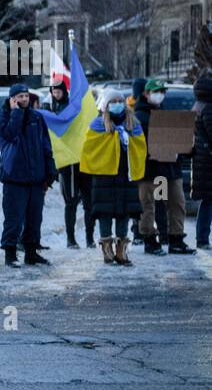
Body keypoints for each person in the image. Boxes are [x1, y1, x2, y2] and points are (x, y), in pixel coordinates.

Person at [81, 90, 146, 266]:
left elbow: (141, 147)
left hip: (126, 175)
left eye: (119, 100)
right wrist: (115, 138)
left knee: (124, 212)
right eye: (113, 101)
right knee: (105, 213)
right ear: (106, 104)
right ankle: (107, 249)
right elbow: (90, 148)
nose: (117, 103)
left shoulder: (134, 123)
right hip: (104, 176)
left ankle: (121, 250)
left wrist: (126, 140)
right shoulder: (98, 124)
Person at [0, 83, 57, 266]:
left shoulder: (37, 117)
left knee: (34, 218)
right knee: (14, 218)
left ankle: (31, 252)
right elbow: (10, 134)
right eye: (19, 96)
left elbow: (45, 143)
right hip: (14, 177)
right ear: (12, 98)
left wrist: (49, 168)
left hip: (36, 177)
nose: (23, 99)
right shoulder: (3, 117)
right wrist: (16, 112)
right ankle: (10, 254)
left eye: (26, 96)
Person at [134, 78, 193, 255]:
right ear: (146, 93)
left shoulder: (165, 113)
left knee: (176, 202)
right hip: (149, 170)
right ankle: (150, 240)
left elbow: (178, 142)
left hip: (169, 169)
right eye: (156, 91)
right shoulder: (139, 117)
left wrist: (187, 147)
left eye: (162, 92)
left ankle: (176, 239)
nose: (160, 95)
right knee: (148, 205)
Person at [47, 76, 93, 247]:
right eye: (54, 92)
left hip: (84, 159)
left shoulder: (75, 106)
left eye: (58, 91)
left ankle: (89, 238)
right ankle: (70, 238)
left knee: (89, 203)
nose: (56, 94)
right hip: (68, 164)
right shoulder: (51, 109)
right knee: (71, 202)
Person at [194, 76, 212, 250]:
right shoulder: (208, 109)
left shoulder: (198, 106)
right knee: (208, 202)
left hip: (202, 160)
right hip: (208, 162)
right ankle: (202, 238)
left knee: (206, 201)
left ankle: (202, 237)